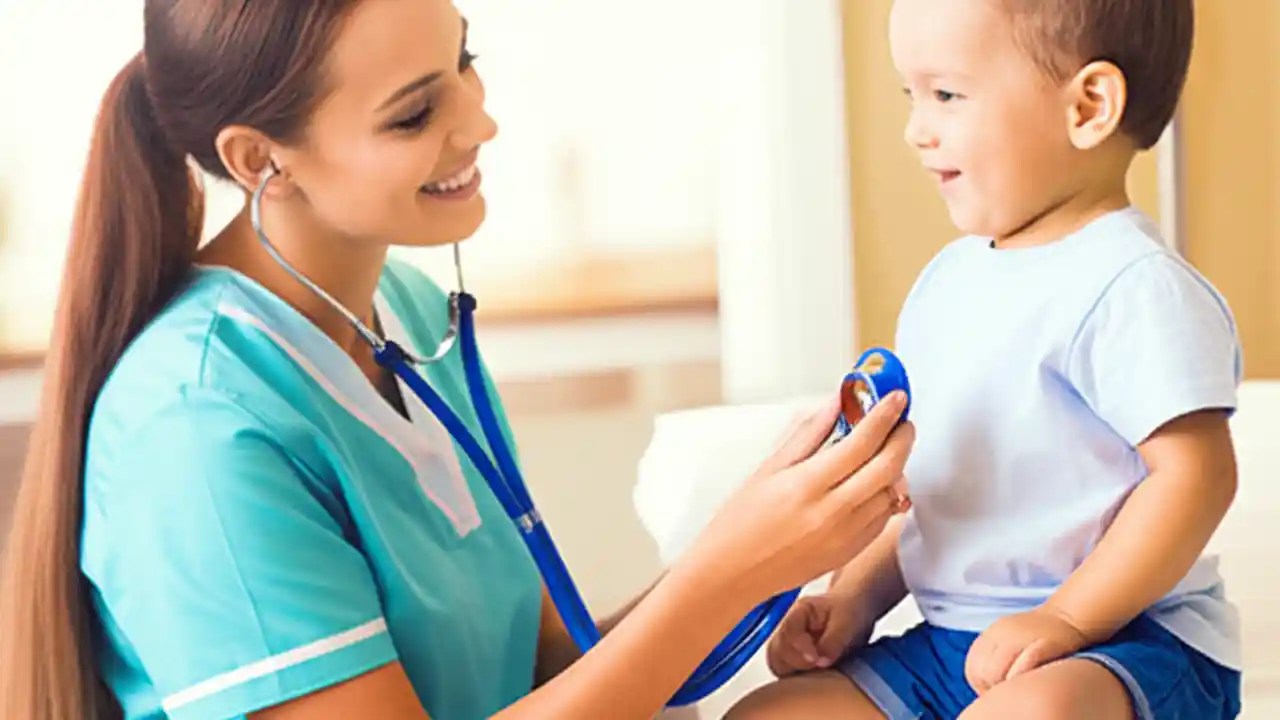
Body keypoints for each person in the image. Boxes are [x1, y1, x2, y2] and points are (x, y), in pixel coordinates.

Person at [0, 1, 916, 719]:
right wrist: (729, 573)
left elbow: (550, 671)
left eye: (464, 62)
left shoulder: (401, 310)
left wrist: (765, 539)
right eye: (413, 114)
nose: (480, 123)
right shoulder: (195, 432)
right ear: (259, 160)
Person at [729, 0, 1243, 718]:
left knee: (1035, 712)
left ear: (1089, 106)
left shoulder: (1135, 285)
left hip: (1123, 643)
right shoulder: (948, 282)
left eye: (946, 95)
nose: (916, 129)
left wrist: (1066, 620)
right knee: (769, 714)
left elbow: (1198, 477)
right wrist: (854, 596)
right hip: (952, 644)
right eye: (912, 96)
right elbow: (937, 494)